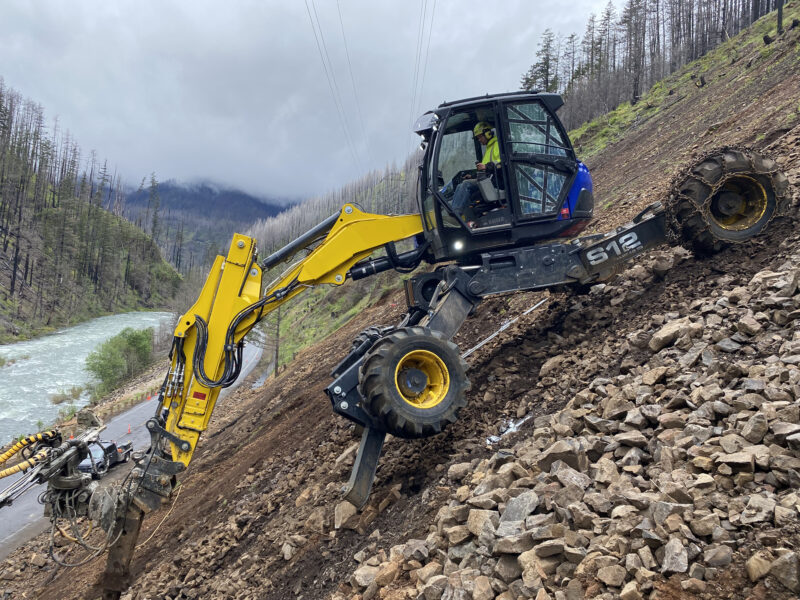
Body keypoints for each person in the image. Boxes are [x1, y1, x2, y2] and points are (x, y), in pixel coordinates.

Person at [451, 122, 501, 221]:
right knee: (462, 185)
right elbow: (484, 169)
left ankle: (455, 214)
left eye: (480, 137)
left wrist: (486, 166)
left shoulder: (497, 145)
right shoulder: (489, 148)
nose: (479, 140)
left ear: (488, 133)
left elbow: (501, 164)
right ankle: (459, 213)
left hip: (495, 182)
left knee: (465, 185)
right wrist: (472, 176)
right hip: (487, 180)